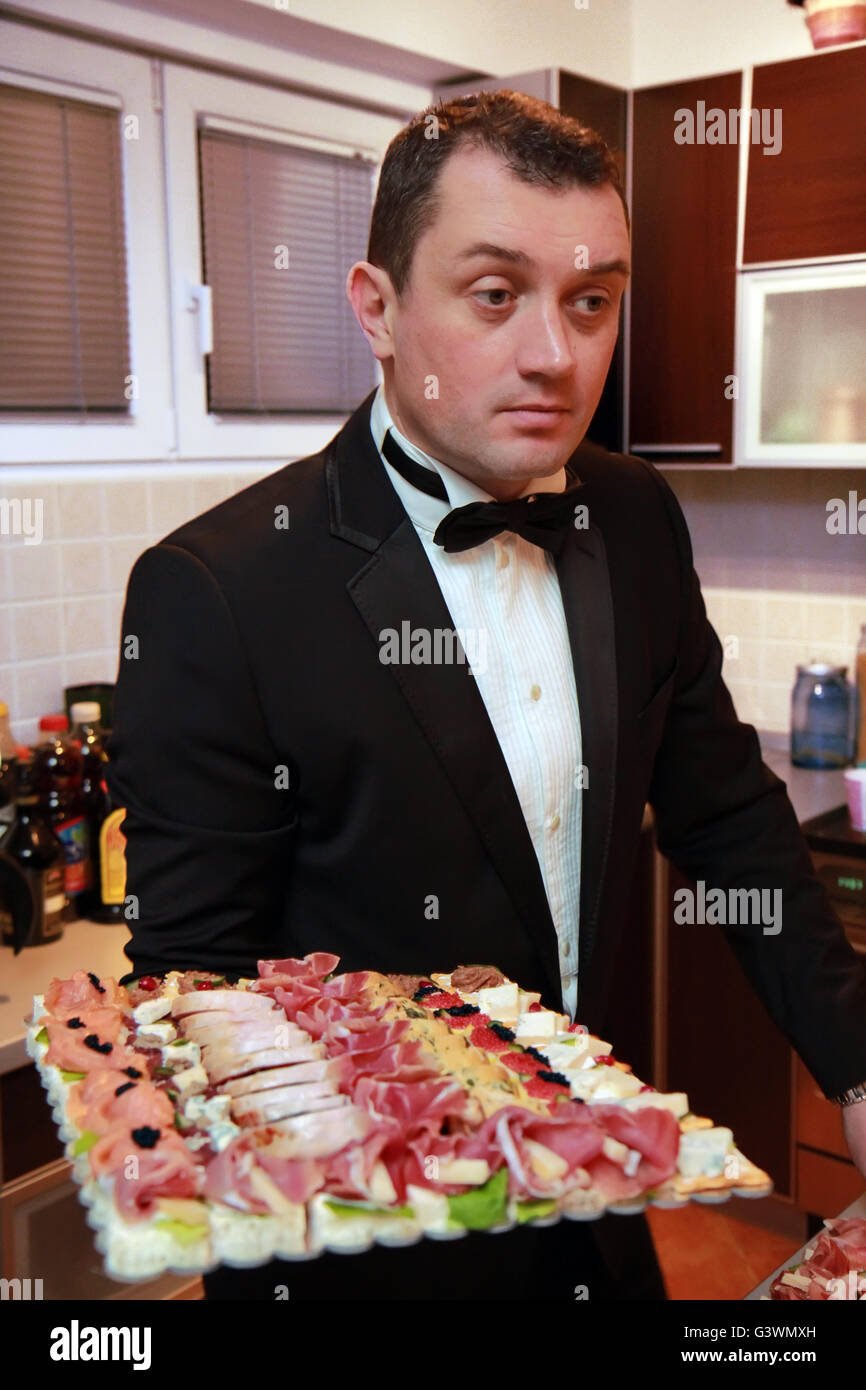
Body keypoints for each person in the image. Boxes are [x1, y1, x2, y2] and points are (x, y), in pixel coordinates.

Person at [106, 90, 866, 1301]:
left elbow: (726, 817)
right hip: (356, 1262)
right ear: (377, 307)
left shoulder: (631, 516)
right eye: (494, 293)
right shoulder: (218, 590)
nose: (554, 356)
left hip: (599, 1217)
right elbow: (196, 992)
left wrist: (853, 1068)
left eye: (589, 301)